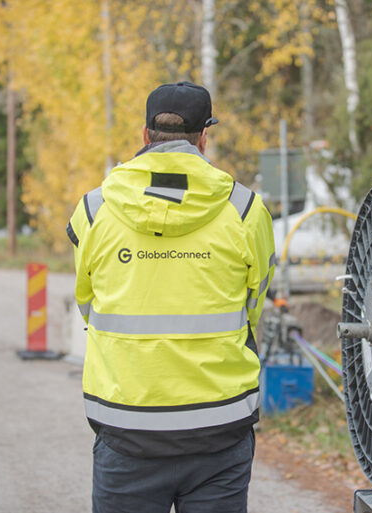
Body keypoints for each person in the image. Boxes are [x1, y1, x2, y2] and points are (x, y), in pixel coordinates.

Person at [67, 81, 275, 513]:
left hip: (126, 427)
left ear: (145, 135)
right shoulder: (245, 211)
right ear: (204, 137)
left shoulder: (93, 209)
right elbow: (252, 307)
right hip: (219, 427)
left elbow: (88, 302)